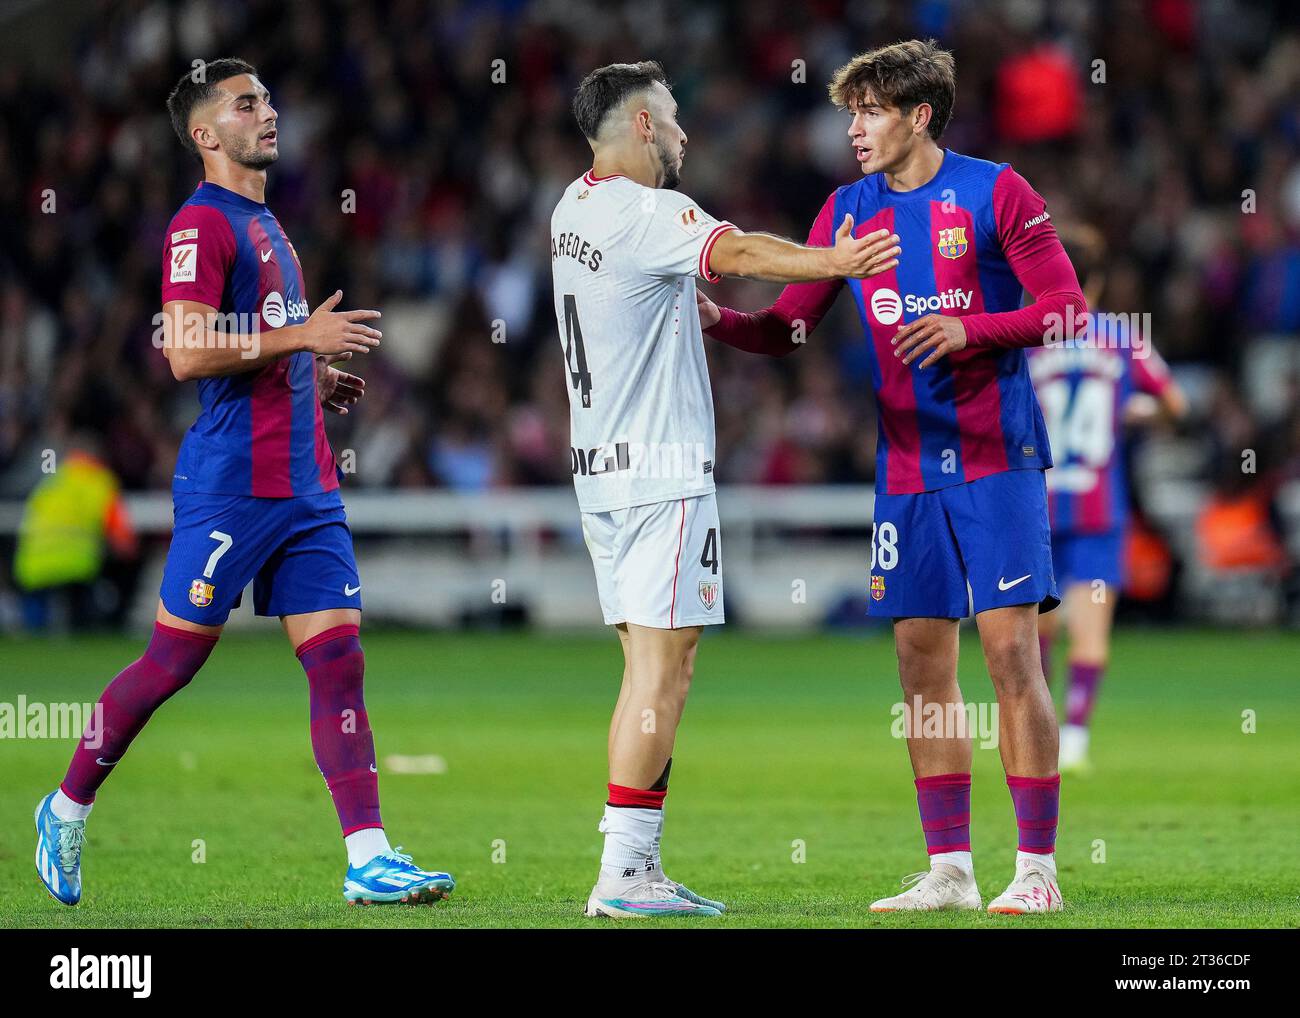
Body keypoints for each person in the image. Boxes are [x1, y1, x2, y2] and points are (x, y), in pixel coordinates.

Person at [34, 58, 453, 908]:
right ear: (203, 133)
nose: (268, 112)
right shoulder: (201, 225)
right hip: (232, 488)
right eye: (245, 103)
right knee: (170, 664)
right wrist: (301, 338)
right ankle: (66, 806)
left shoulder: (271, 224)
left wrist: (314, 377)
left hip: (306, 487)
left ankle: (367, 856)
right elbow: (186, 351)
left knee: (339, 663)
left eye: (267, 97)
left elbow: (254, 345)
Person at [699, 39, 1085, 914]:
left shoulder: (998, 190)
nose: (853, 128)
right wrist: (719, 319)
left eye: (869, 111)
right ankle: (950, 869)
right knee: (921, 667)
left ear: (918, 116)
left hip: (997, 461)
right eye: (849, 111)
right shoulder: (846, 210)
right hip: (904, 471)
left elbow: (1068, 309)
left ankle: (1037, 870)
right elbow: (789, 330)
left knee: (1010, 657)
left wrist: (970, 331)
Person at [553, 60, 898, 918]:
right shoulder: (652, 210)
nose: (682, 135)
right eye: (670, 119)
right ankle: (625, 874)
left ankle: (633, 867)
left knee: (645, 671)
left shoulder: (574, 207)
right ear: (638, 126)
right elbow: (736, 251)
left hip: (601, 473)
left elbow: (644, 295)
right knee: (664, 676)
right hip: (661, 477)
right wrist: (837, 259)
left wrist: (689, 312)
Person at [1028, 227, 1187, 772]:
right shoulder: (1120, 336)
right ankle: (1074, 740)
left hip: (1037, 508)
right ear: (1096, 280)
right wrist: (1138, 413)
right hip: (1099, 508)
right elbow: (1175, 403)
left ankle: (1038, 737)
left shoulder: (1024, 337)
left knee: (1037, 632)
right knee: (1091, 631)